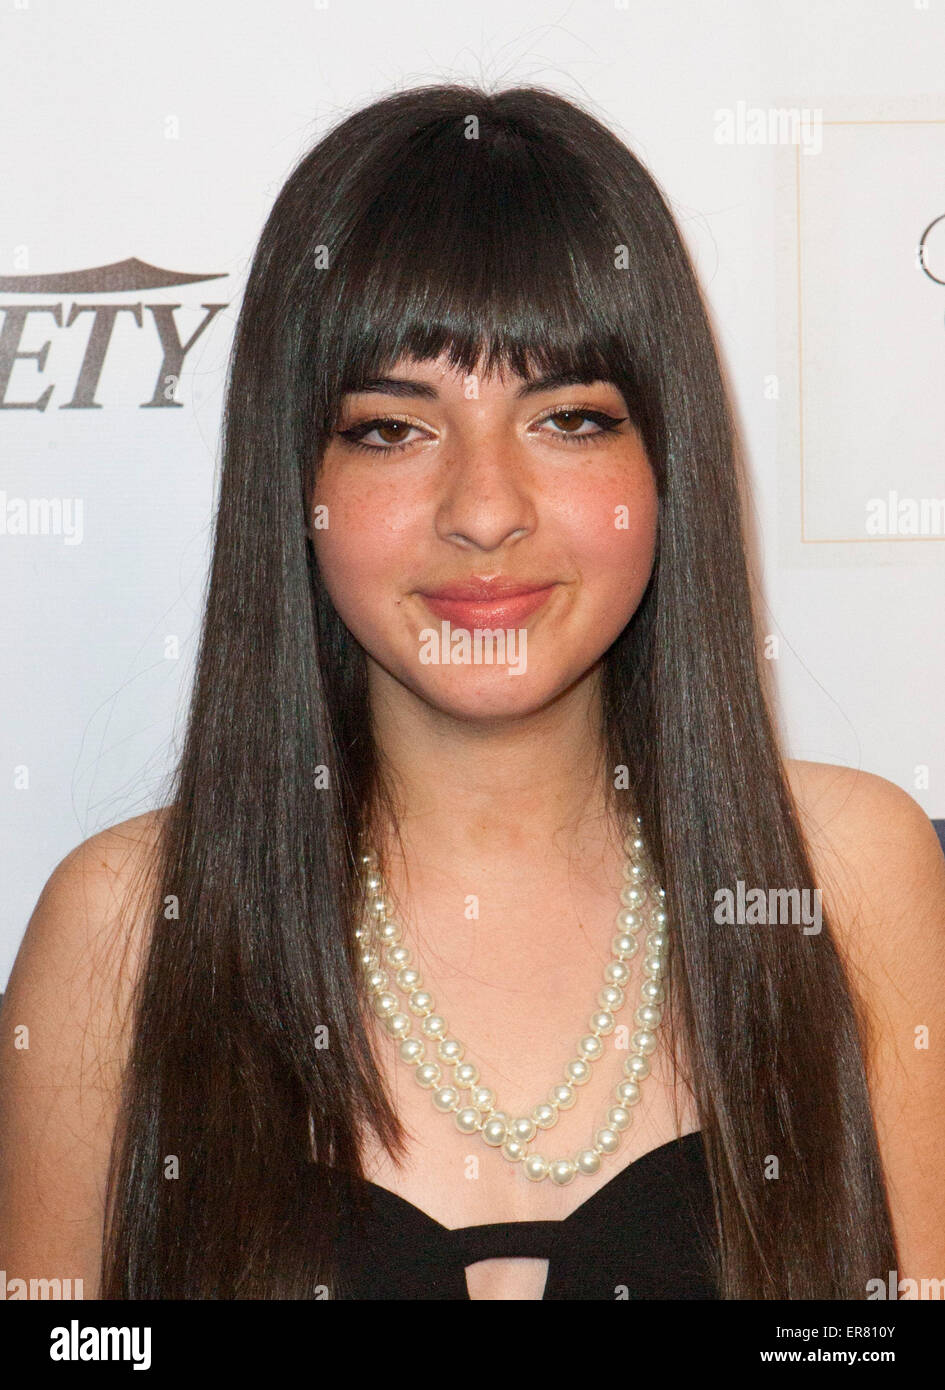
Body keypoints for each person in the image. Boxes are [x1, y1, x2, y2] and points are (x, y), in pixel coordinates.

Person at [2, 82, 944, 1302]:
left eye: (568, 417)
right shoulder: (124, 929)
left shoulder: (850, 878)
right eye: (393, 429)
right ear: (296, 479)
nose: (487, 509)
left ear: (667, 462)